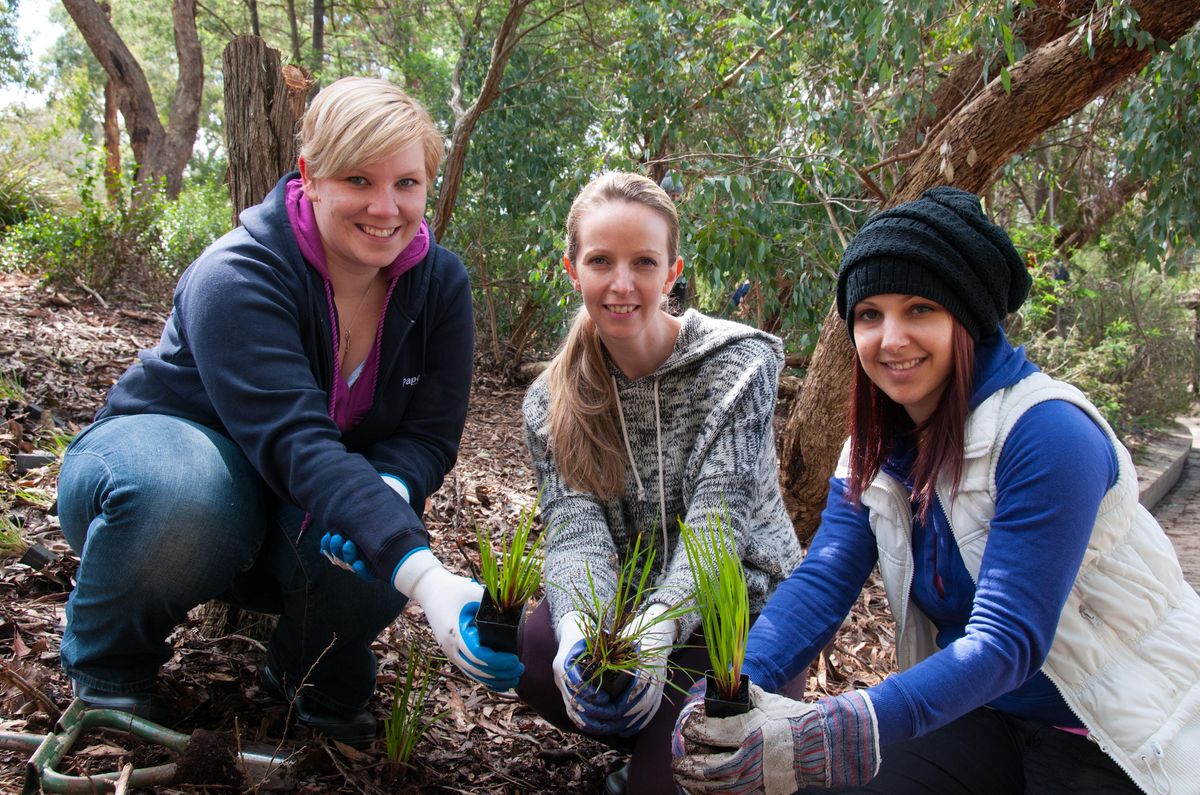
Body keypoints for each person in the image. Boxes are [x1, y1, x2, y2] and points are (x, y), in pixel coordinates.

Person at [671, 186, 1200, 794]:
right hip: (981, 719)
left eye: (920, 308)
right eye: (869, 315)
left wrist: (834, 731)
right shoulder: (875, 446)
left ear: (967, 318)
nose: (891, 338)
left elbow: (1005, 641)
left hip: (1123, 735)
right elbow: (823, 579)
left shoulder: (1048, 433)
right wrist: (731, 688)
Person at [56, 77, 521, 748]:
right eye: (358, 179)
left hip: (289, 504)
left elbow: (427, 436)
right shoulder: (238, 274)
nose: (386, 207)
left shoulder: (440, 283)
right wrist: (428, 577)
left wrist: (390, 489)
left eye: (407, 183)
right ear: (310, 175)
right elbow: (297, 443)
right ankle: (109, 668)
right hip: (156, 480)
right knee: (191, 494)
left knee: (373, 534)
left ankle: (309, 673)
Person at [517, 172, 804, 794]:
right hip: (636, 597)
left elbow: (716, 531)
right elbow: (575, 531)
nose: (622, 284)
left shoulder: (738, 365)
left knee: (671, 780)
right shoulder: (550, 399)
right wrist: (581, 632)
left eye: (643, 262)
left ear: (672, 273)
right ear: (573, 271)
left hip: (744, 611)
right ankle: (647, 734)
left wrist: (654, 634)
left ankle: (665, 750)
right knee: (539, 650)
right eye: (601, 261)